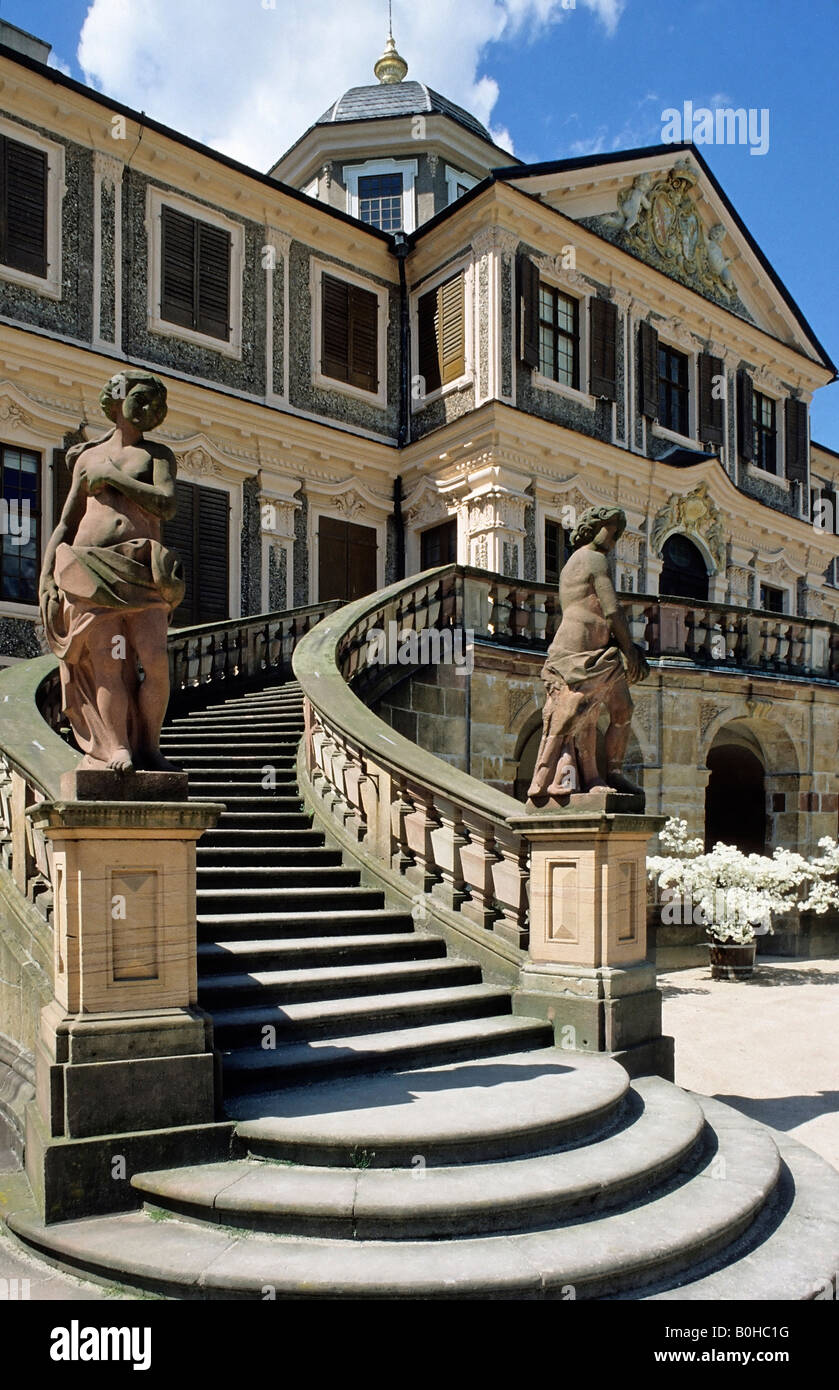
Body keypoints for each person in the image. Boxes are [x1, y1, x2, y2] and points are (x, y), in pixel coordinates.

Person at [39, 370, 184, 773]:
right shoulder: (85, 458)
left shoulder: (156, 457)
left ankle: (150, 747)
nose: (151, 408)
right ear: (118, 403)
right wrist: (47, 576)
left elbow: (166, 505)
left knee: (154, 660)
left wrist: (115, 479)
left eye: (159, 404)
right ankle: (117, 746)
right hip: (90, 571)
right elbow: (67, 524)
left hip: (142, 569)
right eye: (142, 399)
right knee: (107, 662)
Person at [527, 505, 649, 803]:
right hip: (578, 648)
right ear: (593, 527)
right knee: (578, 712)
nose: (615, 537)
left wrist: (623, 648)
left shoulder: (583, 560)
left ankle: (614, 773)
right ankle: (550, 775)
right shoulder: (592, 558)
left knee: (623, 708)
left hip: (602, 650)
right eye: (611, 528)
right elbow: (611, 608)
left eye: (619, 532)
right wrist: (630, 649)